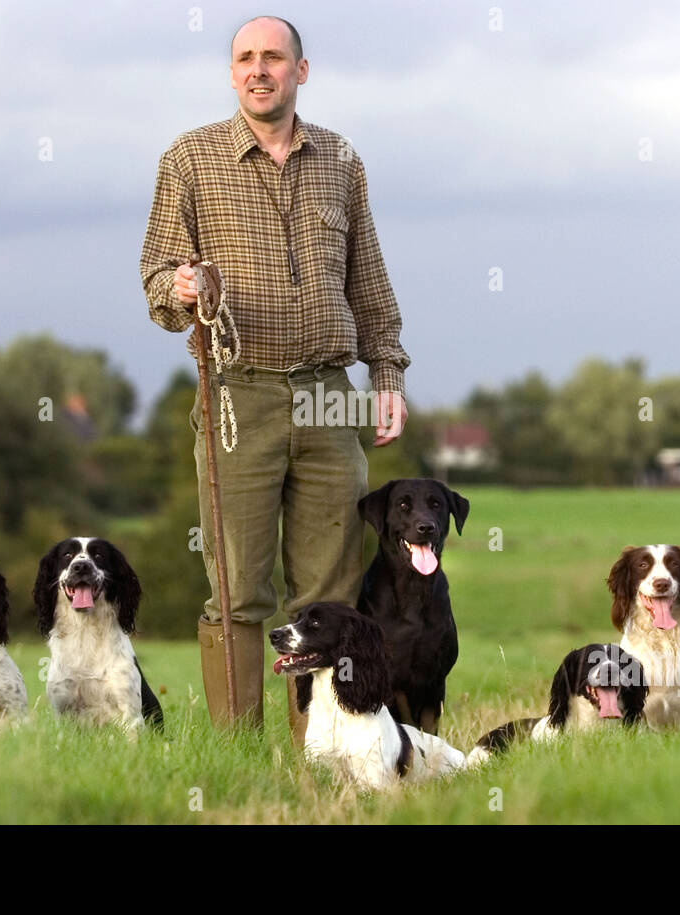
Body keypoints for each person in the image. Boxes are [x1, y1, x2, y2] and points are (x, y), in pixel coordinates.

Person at [139, 15, 410, 738]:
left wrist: (386, 373)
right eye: (245, 59)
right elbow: (155, 276)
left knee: (331, 590)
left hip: (328, 393)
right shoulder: (189, 160)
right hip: (237, 393)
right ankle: (237, 757)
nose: (260, 70)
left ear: (301, 70)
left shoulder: (342, 160)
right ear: (233, 75)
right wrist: (184, 288)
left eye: (274, 58)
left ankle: (325, 751)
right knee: (236, 593)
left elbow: (369, 282)